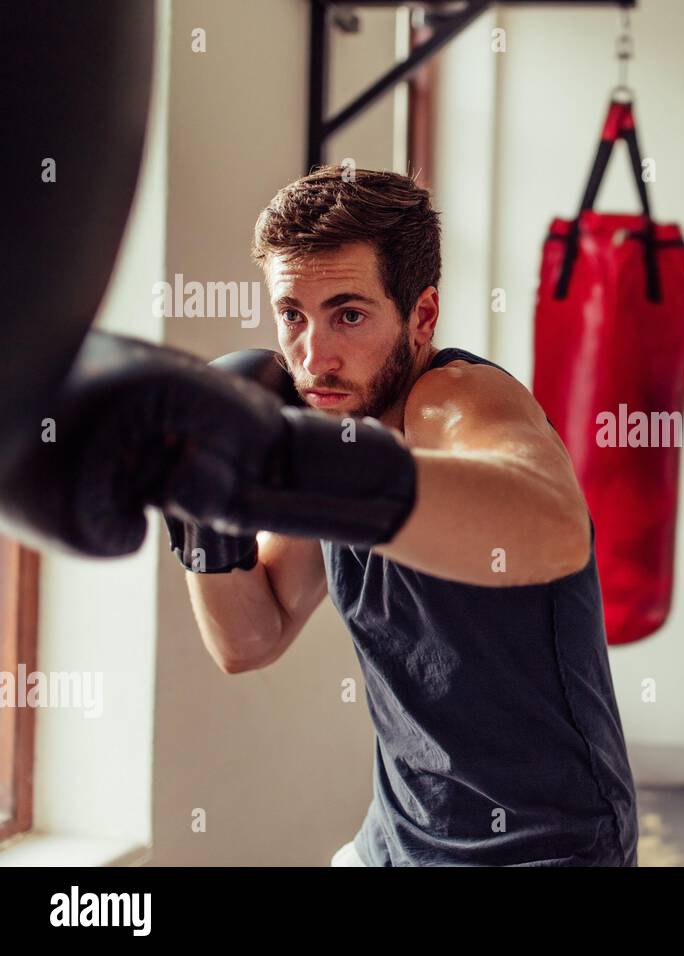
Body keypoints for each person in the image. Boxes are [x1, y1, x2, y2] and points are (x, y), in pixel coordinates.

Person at [174, 165, 639, 866]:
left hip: (545, 847)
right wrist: (203, 516)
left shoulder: (458, 400)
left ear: (422, 315)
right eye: (293, 314)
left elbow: (555, 527)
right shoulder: (336, 427)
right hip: (396, 839)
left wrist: (303, 466)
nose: (313, 356)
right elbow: (249, 640)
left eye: (349, 315)